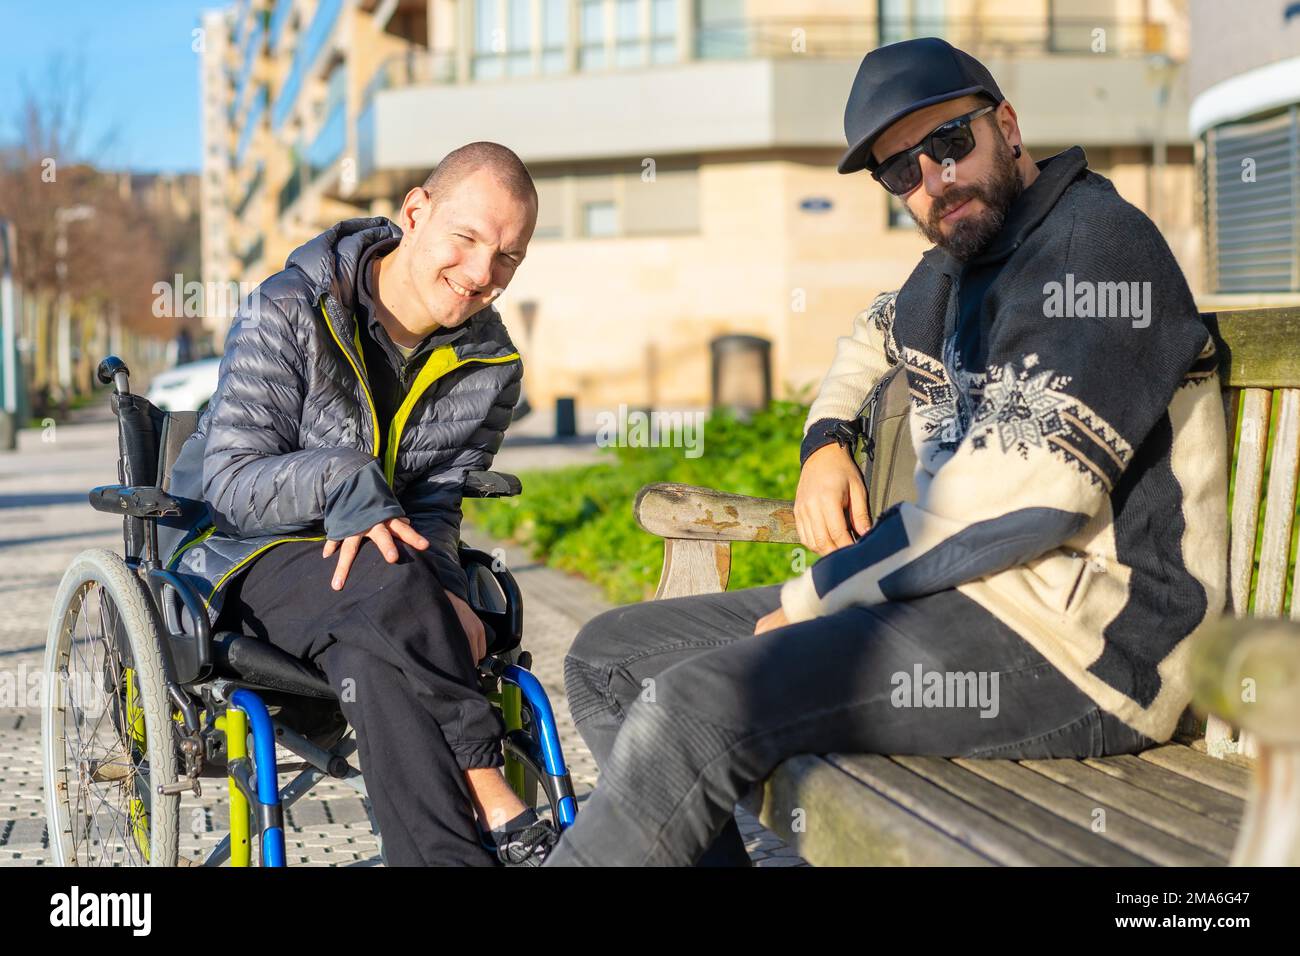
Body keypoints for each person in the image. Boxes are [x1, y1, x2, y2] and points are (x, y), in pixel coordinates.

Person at [547, 37, 1228, 866]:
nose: (934, 181)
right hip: (962, 599)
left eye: (950, 144)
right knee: (610, 658)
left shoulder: (1094, 250)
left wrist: (809, 602)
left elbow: (1024, 501)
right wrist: (827, 439)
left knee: (700, 700)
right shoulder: (953, 267)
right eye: (900, 171)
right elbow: (869, 338)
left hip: (1089, 646)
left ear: (1007, 126)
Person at [158, 142, 558, 866]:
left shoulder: (490, 367)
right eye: (466, 239)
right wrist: (349, 484)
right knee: (387, 574)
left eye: (508, 258)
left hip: (376, 591)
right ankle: (488, 781)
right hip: (241, 556)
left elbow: (434, 506)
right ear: (415, 211)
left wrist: (442, 589)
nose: (481, 276)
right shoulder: (288, 308)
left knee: (380, 649)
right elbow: (233, 480)